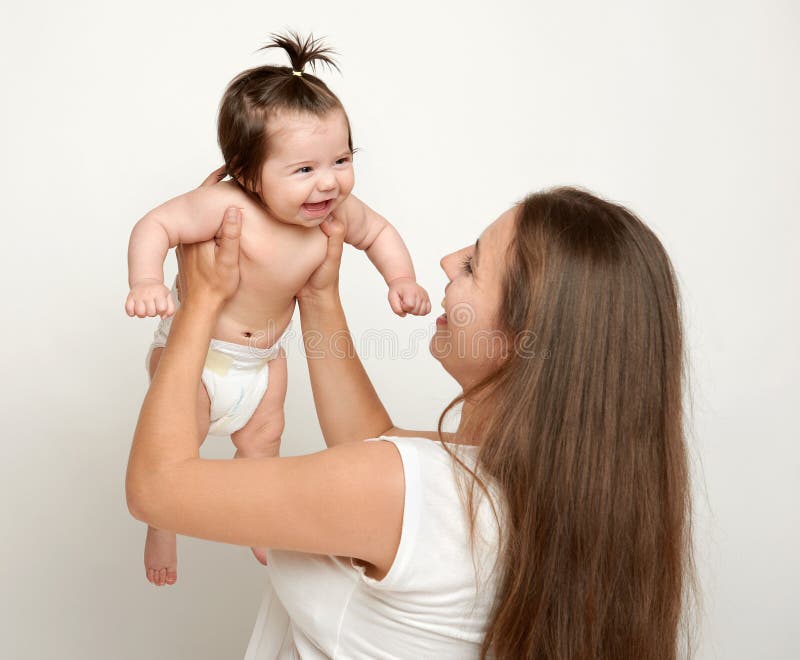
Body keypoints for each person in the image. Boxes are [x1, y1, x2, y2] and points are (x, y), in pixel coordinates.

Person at [126, 183, 694, 659]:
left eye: (472, 264)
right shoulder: (534, 487)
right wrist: (319, 294)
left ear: (524, 339)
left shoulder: (399, 489)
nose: (447, 262)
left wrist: (200, 302)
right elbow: (376, 445)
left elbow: (156, 488)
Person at [125, 32, 430, 585]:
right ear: (247, 174)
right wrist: (148, 280)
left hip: (261, 364)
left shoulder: (336, 210)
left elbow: (378, 232)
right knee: (178, 440)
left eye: (341, 159)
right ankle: (162, 523)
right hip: (196, 356)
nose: (330, 181)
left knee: (265, 441)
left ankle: (256, 523)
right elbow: (157, 224)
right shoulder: (224, 205)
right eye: (304, 170)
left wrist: (400, 277)